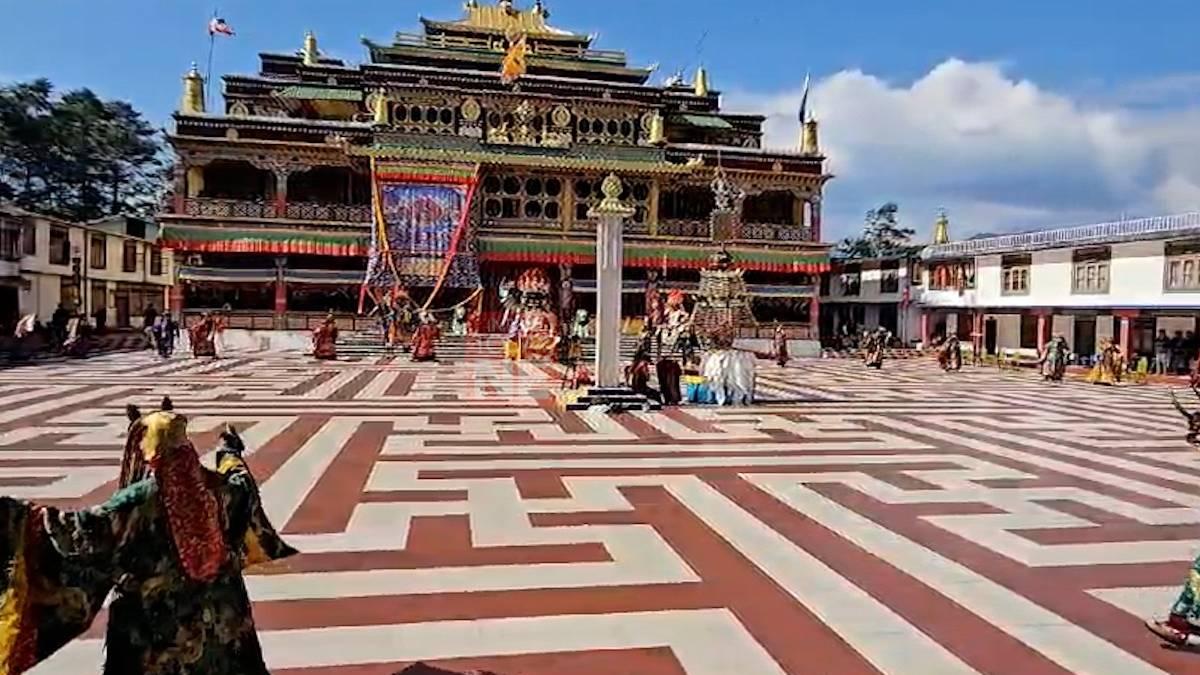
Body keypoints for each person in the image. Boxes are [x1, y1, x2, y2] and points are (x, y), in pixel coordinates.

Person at [0, 402, 296, 675]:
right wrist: (229, 452)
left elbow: (78, 533)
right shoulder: (220, 491)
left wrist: (14, 516)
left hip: (156, 630)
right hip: (223, 621)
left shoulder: (140, 500)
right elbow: (242, 483)